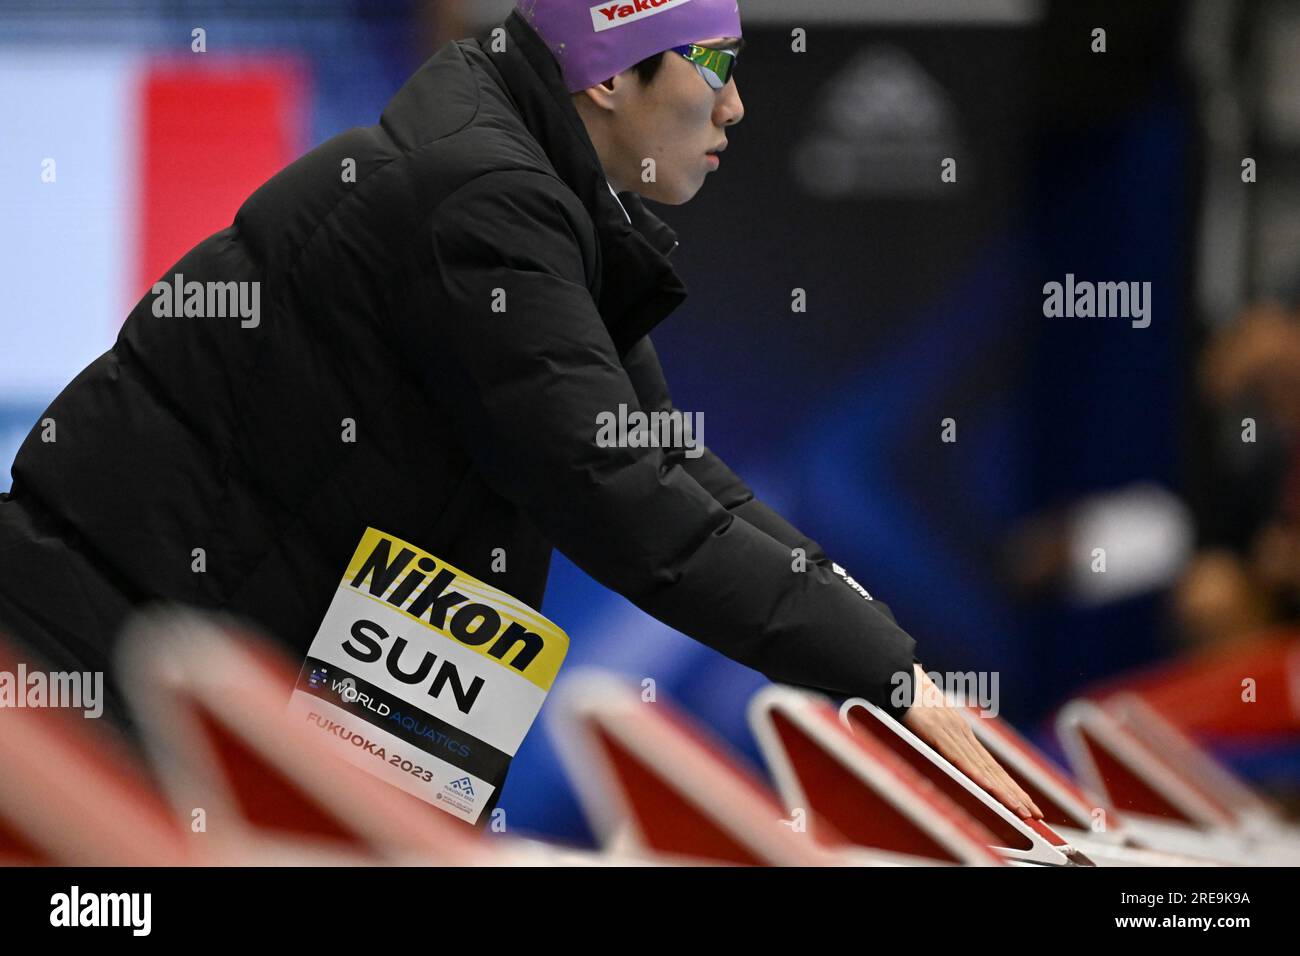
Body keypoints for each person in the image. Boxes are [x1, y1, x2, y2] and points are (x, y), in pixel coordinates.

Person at [0, 0, 1040, 820]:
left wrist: (882, 656)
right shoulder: (482, 196)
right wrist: (889, 678)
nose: (734, 109)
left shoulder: (532, 188)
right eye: (713, 66)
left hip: (182, 661)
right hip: (100, 657)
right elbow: (627, 498)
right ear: (604, 72)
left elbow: (667, 465)